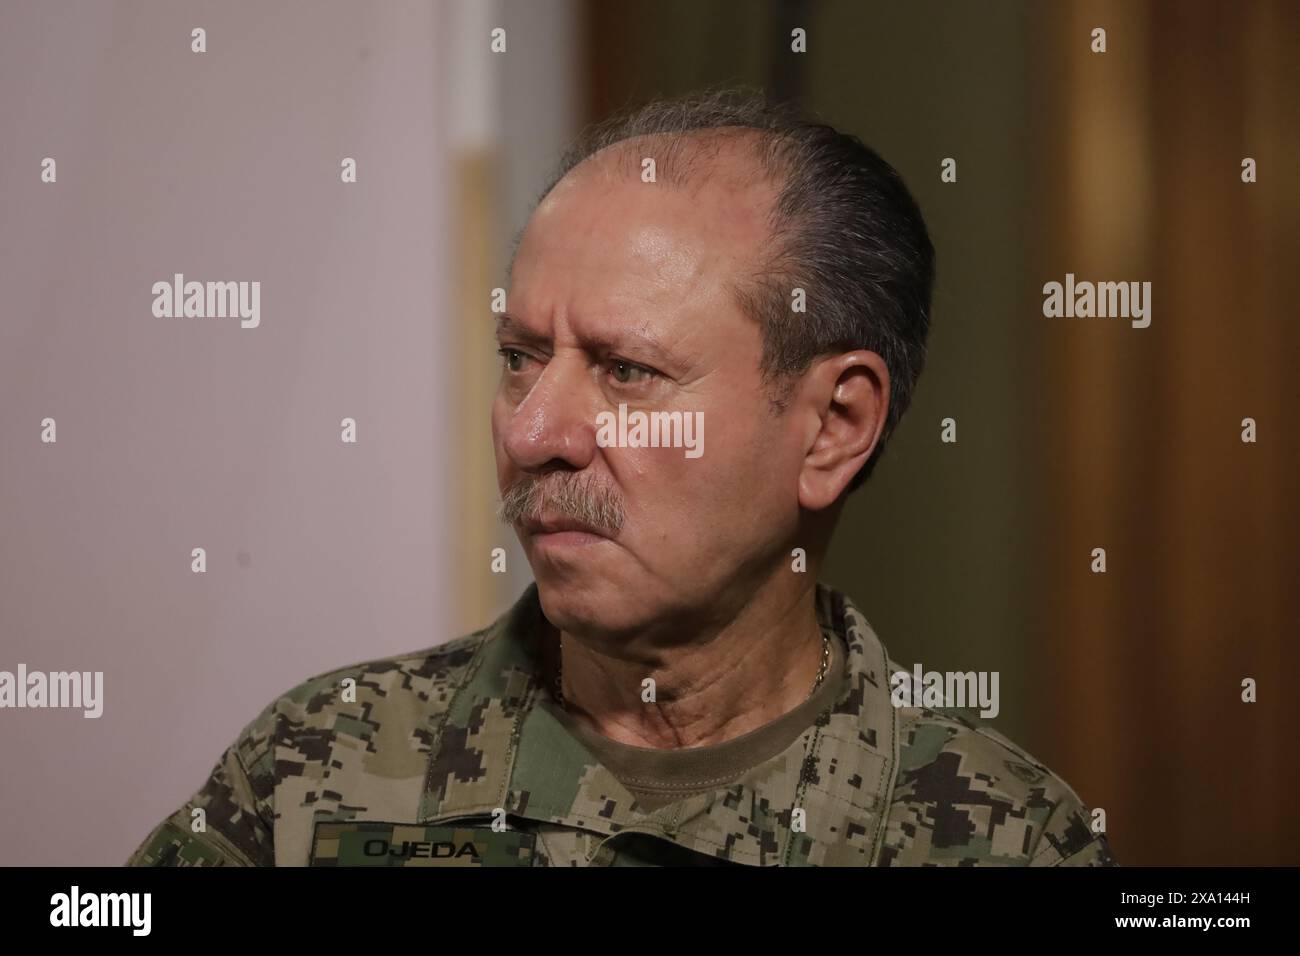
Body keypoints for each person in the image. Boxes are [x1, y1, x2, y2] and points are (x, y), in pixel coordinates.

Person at [127, 88, 1115, 867]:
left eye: (626, 370)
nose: (536, 428)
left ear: (831, 427)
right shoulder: (319, 767)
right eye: (520, 355)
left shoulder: (996, 839)